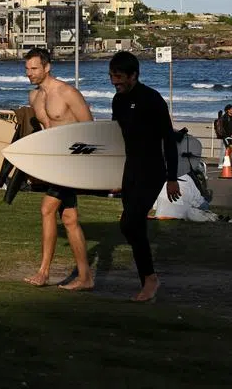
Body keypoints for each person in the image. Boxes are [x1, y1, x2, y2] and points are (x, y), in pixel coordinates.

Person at [109, 51, 180, 302]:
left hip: (152, 170)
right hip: (130, 169)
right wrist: (110, 176)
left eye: (119, 77)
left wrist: (172, 178)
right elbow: (116, 140)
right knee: (134, 226)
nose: (115, 82)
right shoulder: (118, 101)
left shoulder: (152, 99)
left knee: (129, 223)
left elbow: (169, 140)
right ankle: (148, 282)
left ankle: (150, 279)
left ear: (133, 75)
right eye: (111, 76)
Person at [21, 48, 95, 292]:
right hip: (54, 163)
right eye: (27, 69)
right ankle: (85, 276)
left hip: (72, 161)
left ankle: (43, 272)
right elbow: (45, 132)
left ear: (47, 67)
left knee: (47, 208)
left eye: (34, 68)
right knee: (69, 219)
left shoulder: (67, 92)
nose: (29, 73)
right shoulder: (34, 97)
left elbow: (90, 128)